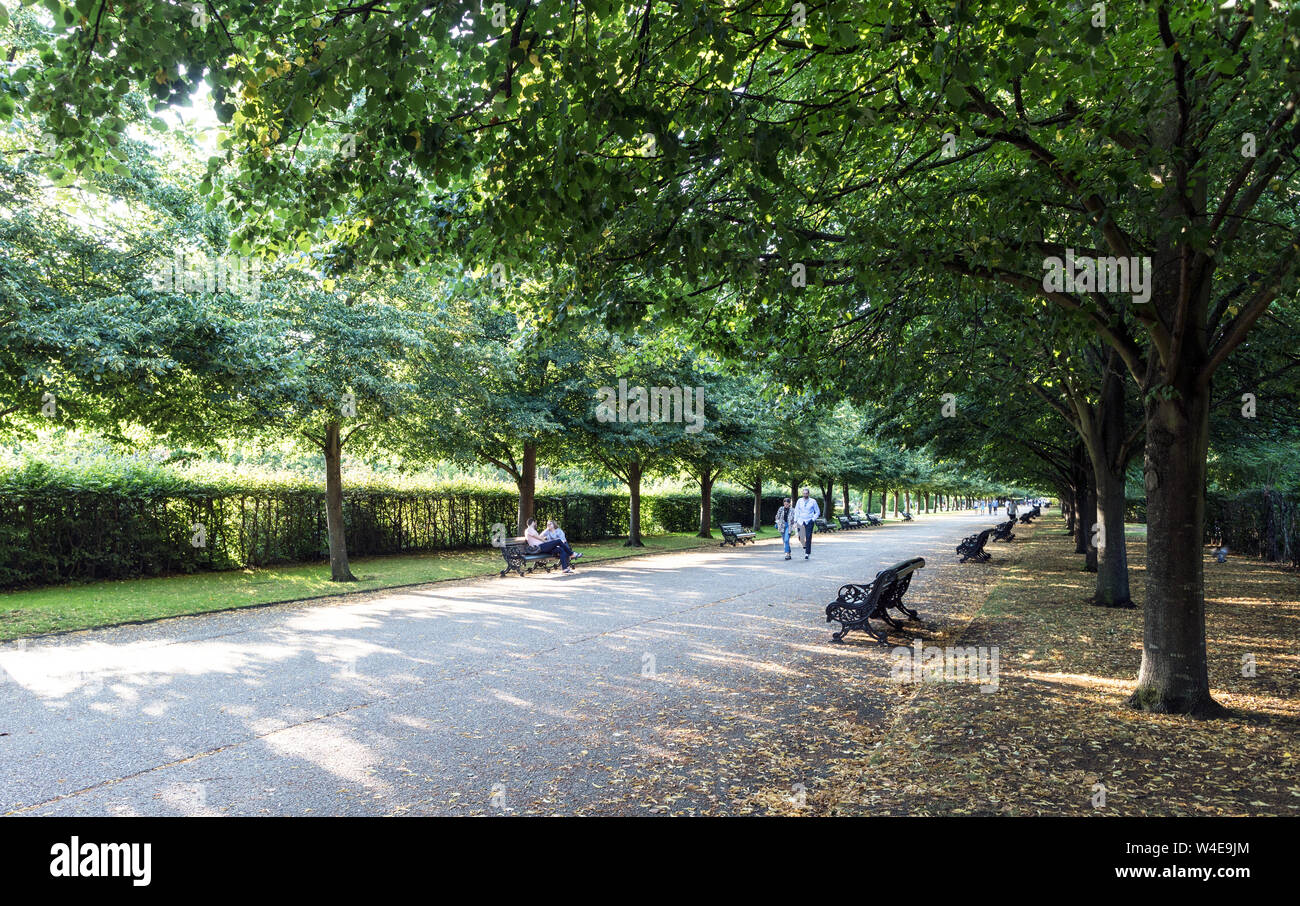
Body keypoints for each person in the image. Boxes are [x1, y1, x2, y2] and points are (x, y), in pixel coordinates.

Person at [791, 487, 820, 560]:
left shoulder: (813, 501)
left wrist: (813, 519)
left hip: (809, 521)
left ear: (808, 494)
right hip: (800, 520)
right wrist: (795, 521)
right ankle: (804, 545)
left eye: (806, 493)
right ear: (802, 494)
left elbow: (817, 512)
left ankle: (807, 553)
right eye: (804, 493)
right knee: (800, 537)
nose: (805, 494)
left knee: (808, 536)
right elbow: (796, 511)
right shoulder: (799, 501)